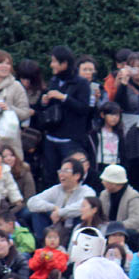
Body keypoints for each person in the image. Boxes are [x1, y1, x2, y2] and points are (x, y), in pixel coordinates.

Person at [38, 45, 92, 188]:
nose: (52, 65)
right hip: (51, 137)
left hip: (70, 140)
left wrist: (64, 97)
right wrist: (44, 101)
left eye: (55, 61)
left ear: (64, 63)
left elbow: (84, 108)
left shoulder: (81, 83)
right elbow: (48, 108)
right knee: (50, 176)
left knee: (71, 176)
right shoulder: (54, 80)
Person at [27, 156, 95, 241]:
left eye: (66, 171)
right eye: (60, 171)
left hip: (73, 227)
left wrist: (60, 212)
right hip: (55, 227)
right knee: (37, 213)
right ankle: (42, 245)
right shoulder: (56, 189)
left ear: (77, 175)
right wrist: (53, 208)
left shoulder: (86, 190)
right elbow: (32, 202)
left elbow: (82, 206)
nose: (61, 174)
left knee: (82, 214)